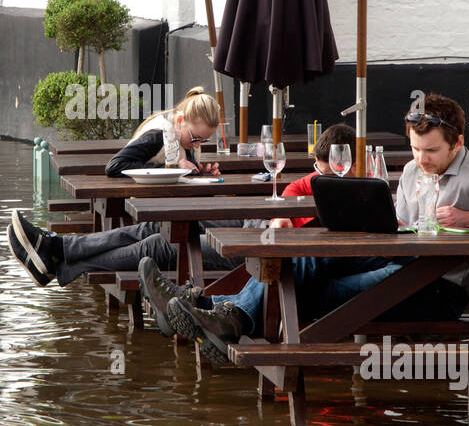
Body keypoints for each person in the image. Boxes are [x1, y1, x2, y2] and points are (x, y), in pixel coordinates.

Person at [165, 93, 469, 361]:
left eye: (430, 151)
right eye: (415, 149)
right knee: (308, 257)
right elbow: (401, 223)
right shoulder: (412, 171)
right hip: (399, 258)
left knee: (320, 290)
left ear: (458, 143)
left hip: (437, 285)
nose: (420, 159)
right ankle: (220, 315)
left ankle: (207, 306)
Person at [138, 121, 355, 340]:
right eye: (318, 170)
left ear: (353, 165)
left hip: (282, 256)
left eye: (330, 174)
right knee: (158, 231)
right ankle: (203, 306)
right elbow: (297, 188)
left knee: (160, 243)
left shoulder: (365, 196)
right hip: (263, 235)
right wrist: (282, 215)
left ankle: (207, 308)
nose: (319, 178)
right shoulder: (319, 181)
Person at [8, 87, 233, 291]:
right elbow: (114, 166)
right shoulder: (159, 134)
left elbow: (178, 171)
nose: (196, 145)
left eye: (202, 142)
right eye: (195, 139)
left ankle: (57, 253)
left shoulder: (179, 135)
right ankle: (58, 251)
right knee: (153, 234)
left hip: (164, 205)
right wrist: (165, 167)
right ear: (181, 120)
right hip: (142, 202)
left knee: (155, 237)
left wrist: (199, 174)